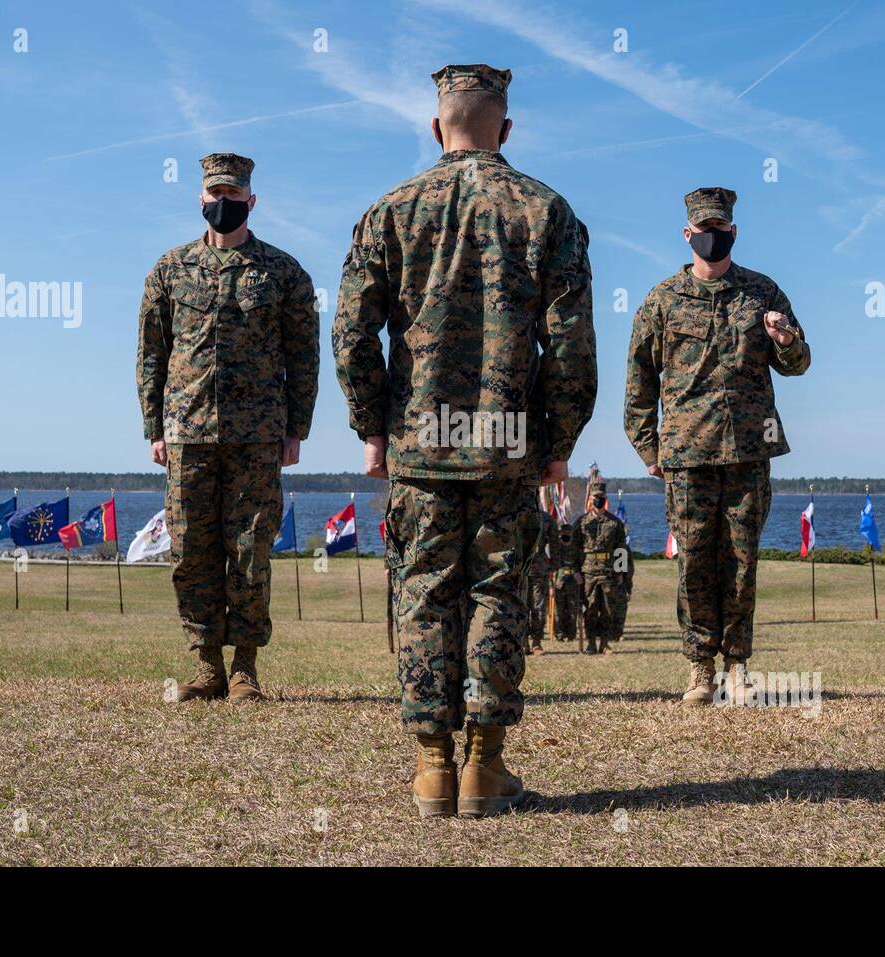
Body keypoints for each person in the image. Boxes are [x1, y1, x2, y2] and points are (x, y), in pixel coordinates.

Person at [333, 64, 596, 817]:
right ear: (505, 129)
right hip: (507, 440)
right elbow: (571, 341)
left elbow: (352, 333)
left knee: (423, 593)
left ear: (435, 126)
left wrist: (371, 427)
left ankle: (431, 767)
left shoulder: (391, 209)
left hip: (419, 441)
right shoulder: (546, 210)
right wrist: (560, 437)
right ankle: (485, 765)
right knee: (498, 593)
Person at [137, 152, 319, 703]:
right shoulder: (169, 270)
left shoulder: (284, 273)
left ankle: (244, 669)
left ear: (251, 201)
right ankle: (207, 665)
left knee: (250, 551)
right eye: (215, 197)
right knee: (191, 550)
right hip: (187, 432)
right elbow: (151, 353)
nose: (223, 205)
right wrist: (154, 425)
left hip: (258, 435)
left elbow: (303, 356)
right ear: (200, 200)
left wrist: (296, 430)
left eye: (233, 198)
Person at [624, 186, 810, 704]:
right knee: (695, 564)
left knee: (741, 564)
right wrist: (649, 449)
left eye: (720, 231)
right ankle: (699, 667)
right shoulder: (662, 300)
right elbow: (638, 380)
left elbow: (800, 364)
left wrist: (786, 339)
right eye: (703, 231)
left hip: (748, 453)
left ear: (734, 232)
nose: (712, 238)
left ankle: (738, 666)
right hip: (686, 458)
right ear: (688, 235)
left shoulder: (762, 293)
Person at [573, 481, 630, 654]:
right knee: (590, 609)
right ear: (590, 499)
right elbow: (574, 549)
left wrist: (620, 572)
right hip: (588, 571)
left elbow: (621, 548)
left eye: (601, 497)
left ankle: (605, 643)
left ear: (605, 499)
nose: (598, 500)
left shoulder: (615, 523)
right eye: (595, 497)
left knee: (607, 608)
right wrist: (575, 571)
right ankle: (591, 643)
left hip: (608, 571)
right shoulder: (582, 522)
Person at [524, 508, 560, 655]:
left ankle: (537, 642)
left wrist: (554, 567)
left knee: (538, 607)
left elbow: (555, 544)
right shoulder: (518, 515)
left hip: (540, 569)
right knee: (521, 606)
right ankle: (523, 642)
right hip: (520, 570)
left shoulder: (546, 519)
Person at [551, 521, 583, 644]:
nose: (565, 535)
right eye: (563, 533)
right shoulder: (556, 548)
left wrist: (578, 574)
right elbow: (552, 566)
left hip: (573, 582)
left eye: (568, 533)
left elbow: (580, 564)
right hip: (559, 582)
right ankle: (559, 634)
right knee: (559, 610)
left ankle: (571, 634)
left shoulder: (576, 548)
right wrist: (551, 584)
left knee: (572, 609)